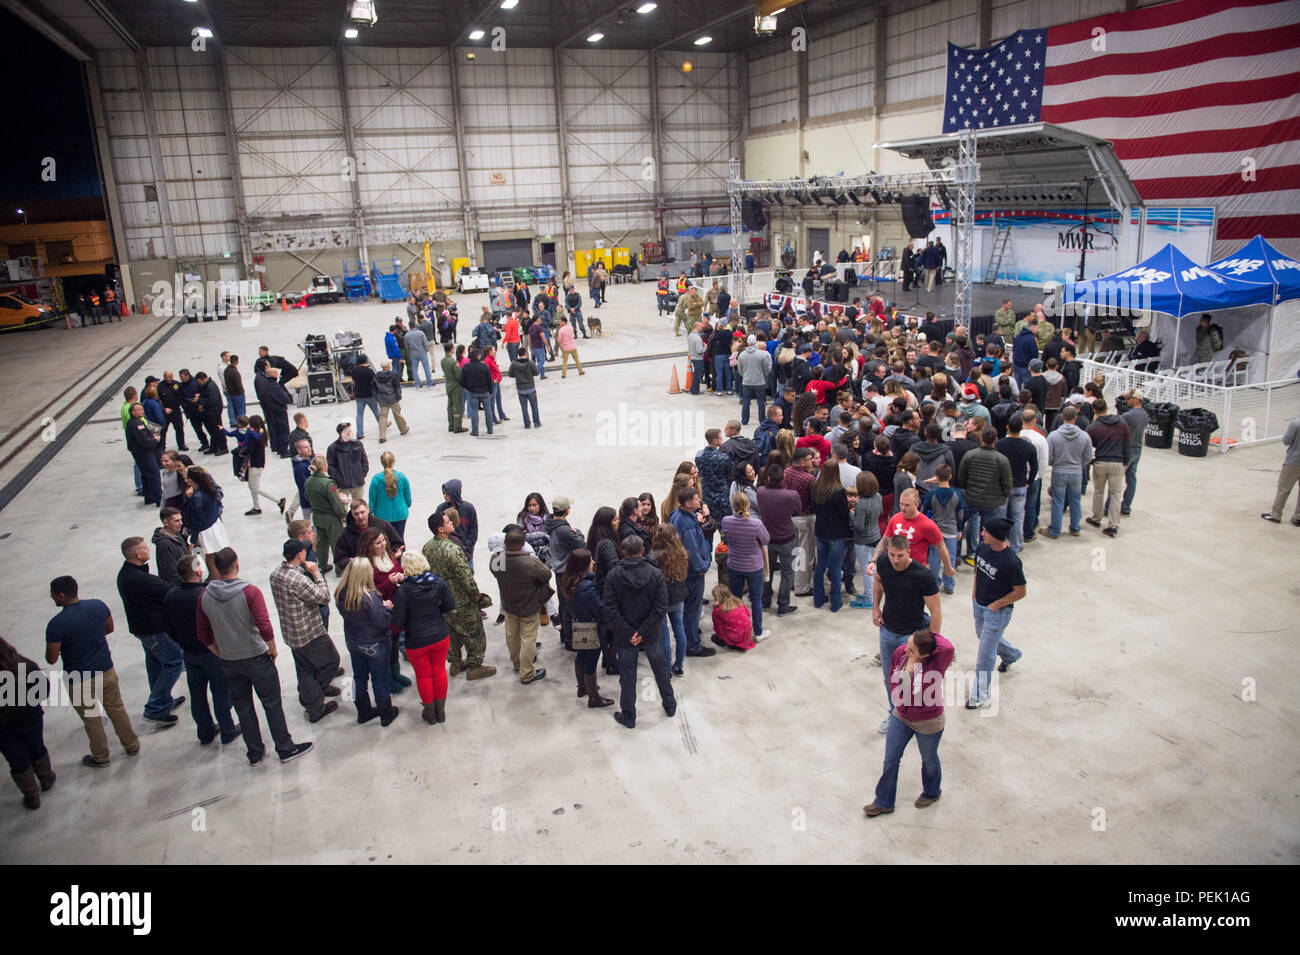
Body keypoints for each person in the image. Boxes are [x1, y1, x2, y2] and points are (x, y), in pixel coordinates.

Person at [197, 547, 314, 764]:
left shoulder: (205, 596)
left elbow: (203, 634)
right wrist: (272, 648)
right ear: (237, 564)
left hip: (229, 661)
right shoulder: (250, 592)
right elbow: (264, 626)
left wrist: (221, 653)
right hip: (256, 657)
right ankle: (284, 747)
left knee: (242, 706)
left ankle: (254, 752)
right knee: (271, 702)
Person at [45, 576, 140, 767]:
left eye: (53, 594)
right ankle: (132, 745)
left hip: (79, 679)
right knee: (117, 709)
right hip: (106, 670)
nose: (52, 597)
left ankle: (101, 756)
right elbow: (109, 628)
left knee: (91, 718)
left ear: (61, 596)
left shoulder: (56, 625)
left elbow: (51, 658)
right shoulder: (98, 606)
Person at [862, 628, 955, 817]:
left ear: (926, 654)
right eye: (908, 645)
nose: (906, 650)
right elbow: (896, 687)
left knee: (928, 760)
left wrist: (928, 636)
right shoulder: (900, 652)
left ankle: (932, 792)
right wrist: (920, 637)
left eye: (912, 650)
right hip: (901, 716)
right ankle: (883, 801)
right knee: (890, 759)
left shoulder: (934, 666)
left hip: (928, 721)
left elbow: (947, 647)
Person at [164, 554, 241, 745]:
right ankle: (228, 729)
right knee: (221, 692)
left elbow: (168, 626)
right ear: (198, 571)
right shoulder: (207, 595)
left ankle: (205, 732)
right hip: (212, 652)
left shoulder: (171, 595)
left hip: (189, 653)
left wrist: (182, 642)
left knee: (197, 695)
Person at [603, 535, 675, 729]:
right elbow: (660, 607)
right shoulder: (655, 574)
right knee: (660, 670)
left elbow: (610, 608)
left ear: (624, 552)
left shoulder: (613, 576)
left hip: (626, 638)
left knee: (627, 676)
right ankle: (670, 705)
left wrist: (630, 633)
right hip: (650, 634)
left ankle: (629, 716)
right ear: (642, 550)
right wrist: (643, 631)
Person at [872, 535, 941, 734]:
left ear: (908, 552)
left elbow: (935, 611)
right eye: (892, 554)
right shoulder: (884, 562)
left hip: (911, 635)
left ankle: (915, 717)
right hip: (887, 631)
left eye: (900, 555)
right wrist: (875, 608)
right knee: (889, 678)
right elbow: (877, 580)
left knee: (910, 680)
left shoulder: (922, 576)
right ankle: (895, 714)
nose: (895, 560)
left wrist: (932, 642)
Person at [269, 540, 342, 725]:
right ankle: (314, 699)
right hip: (309, 632)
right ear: (301, 555)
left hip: (291, 632)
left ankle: (310, 696)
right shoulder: (298, 579)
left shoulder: (275, 574)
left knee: (304, 668)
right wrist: (316, 573)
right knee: (331, 660)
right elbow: (324, 597)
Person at [116, 536, 185, 727]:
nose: (148, 551)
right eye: (145, 549)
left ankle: (163, 702)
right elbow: (168, 589)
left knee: (156, 663)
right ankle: (155, 708)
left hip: (142, 628)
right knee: (174, 661)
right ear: (138, 554)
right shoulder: (140, 579)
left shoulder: (127, 574)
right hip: (153, 629)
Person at [423, 510, 496, 680]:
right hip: (461, 600)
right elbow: (465, 576)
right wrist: (475, 594)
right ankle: (475, 666)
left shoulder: (427, 547)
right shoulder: (453, 550)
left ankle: (455, 663)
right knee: (474, 632)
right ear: (441, 529)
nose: (452, 524)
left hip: (442, 599)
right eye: (448, 522)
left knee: (452, 632)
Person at [966, 517, 1027, 709]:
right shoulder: (983, 549)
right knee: (982, 637)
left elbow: (1020, 591)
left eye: (985, 531)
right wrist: (975, 592)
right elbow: (978, 570)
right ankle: (1011, 655)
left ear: (997, 536)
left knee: (985, 653)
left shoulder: (1011, 562)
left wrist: (997, 604)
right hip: (980, 604)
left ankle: (979, 695)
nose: (982, 534)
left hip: (997, 612)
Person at [391, 550, 455, 724]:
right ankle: (441, 711)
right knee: (440, 671)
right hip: (440, 636)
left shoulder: (403, 591)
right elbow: (450, 605)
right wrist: (435, 614)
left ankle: (430, 712)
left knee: (424, 676)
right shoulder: (438, 583)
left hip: (416, 640)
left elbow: (398, 621)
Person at [334, 558, 399, 726]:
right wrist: (387, 607)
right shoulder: (370, 597)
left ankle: (363, 712)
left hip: (353, 641)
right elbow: (382, 621)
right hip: (374, 643)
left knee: (359, 677)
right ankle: (386, 714)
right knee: (379, 679)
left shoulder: (341, 593)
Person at [491, 528, 554, 685]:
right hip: (528, 606)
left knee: (511, 634)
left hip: (508, 603)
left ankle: (517, 663)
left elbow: (494, 571)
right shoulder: (530, 562)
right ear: (523, 544)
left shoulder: (498, 558)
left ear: (505, 543)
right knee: (528, 638)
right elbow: (547, 574)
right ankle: (527, 673)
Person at [1, 636, 53, 808]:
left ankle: (31, 796)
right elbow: (44, 691)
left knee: (17, 760)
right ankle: (46, 778)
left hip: (4, 730)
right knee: (37, 747)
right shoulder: (26, 666)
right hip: (31, 720)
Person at [666, 487, 716, 667]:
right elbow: (691, 551)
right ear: (687, 503)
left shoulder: (676, 515)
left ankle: (691, 633)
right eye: (696, 499)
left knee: (689, 607)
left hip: (683, 570)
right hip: (693, 573)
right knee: (692, 608)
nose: (699, 501)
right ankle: (693, 645)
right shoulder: (686, 525)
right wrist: (702, 567)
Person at [956, 427, 1012, 564]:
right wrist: (1004, 496)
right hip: (992, 502)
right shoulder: (1002, 459)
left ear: (981, 438)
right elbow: (1007, 483)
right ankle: (982, 558)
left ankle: (956, 556)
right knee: (988, 532)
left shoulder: (970, 455)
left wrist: (967, 489)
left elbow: (961, 477)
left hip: (971, 498)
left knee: (959, 525)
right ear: (996, 440)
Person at [720, 491, 771, 639]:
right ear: (748, 505)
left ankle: (738, 629)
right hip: (754, 566)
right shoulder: (756, 524)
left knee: (736, 598)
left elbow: (726, 538)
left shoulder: (726, 521)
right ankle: (758, 632)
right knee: (756, 600)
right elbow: (766, 539)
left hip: (734, 565)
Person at [1085, 399, 1130, 538]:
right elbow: (1127, 444)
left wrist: (1091, 462)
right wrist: (1125, 461)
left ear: (1094, 411)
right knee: (1116, 494)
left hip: (1100, 462)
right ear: (1107, 408)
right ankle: (1113, 525)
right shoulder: (1122, 424)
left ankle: (1096, 518)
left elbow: (1088, 448)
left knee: (1098, 491)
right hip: (1117, 462)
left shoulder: (1092, 428)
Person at [810, 461, 851, 613]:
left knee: (820, 565)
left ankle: (818, 599)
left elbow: (814, 508)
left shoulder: (815, 487)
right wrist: (847, 532)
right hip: (836, 533)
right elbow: (844, 514)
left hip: (820, 531)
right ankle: (835, 602)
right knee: (835, 567)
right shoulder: (839, 491)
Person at [996, 416, 1038, 552]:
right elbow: (1034, 467)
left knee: (1000, 516)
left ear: (1007, 427)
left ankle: (998, 543)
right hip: (1020, 485)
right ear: (1021, 428)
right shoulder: (1029, 447)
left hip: (1002, 485)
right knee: (1017, 516)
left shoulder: (999, 444)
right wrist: (1029, 482)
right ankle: (1015, 545)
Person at [181, 465, 229, 579]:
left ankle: (218, 586)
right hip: (215, 526)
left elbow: (197, 520)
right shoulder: (210, 489)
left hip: (205, 533)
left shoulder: (197, 497)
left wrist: (192, 540)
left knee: (210, 563)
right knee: (218, 559)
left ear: (191, 480)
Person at [304, 455, 347, 574]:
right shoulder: (328, 483)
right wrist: (343, 515)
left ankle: (321, 566)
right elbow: (335, 502)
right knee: (336, 542)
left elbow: (306, 497)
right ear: (324, 467)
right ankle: (340, 569)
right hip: (330, 518)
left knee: (321, 542)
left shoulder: (308, 482)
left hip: (317, 516)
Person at [241, 416, 285, 517]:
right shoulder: (262, 435)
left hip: (255, 465)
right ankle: (256, 507)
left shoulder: (255, 437)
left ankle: (278, 501)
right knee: (252, 487)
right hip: (259, 464)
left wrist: (242, 453)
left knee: (255, 488)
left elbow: (249, 449)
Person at [1261, 415, 1300, 525]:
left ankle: (1276, 515)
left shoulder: (1296, 423)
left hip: (1294, 462)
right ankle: (1298, 517)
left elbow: (1286, 441)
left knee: (1284, 489)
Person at [368, 451, 412, 543]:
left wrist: (372, 512)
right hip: (400, 514)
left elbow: (372, 500)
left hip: (382, 515)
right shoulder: (402, 477)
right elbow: (408, 499)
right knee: (399, 539)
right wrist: (405, 505)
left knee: (384, 542)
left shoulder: (376, 479)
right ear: (394, 461)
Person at [1117, 390, 1148, 516]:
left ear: (1135, 400)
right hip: (1137, 449)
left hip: (1127, 450)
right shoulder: (1144, 414)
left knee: (1116, 480)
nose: (1126, 401)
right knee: (1131, 480)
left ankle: (1108, 507)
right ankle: (1126, 507)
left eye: (1128, 399)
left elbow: (1116, 425)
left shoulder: (1128, 416)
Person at [126, 403, 163, 506]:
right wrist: (155, 440)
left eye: (142, 409)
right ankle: (158, 498)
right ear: (133, 412)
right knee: (154, 474)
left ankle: (149, 497)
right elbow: (144, 442)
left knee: (146, 476)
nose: (142, 411)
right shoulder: (137, 424)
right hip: (145, 453)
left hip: (139, 454)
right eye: (139, 410)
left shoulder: (134, 423)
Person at [254, 366, 294, 458]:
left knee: (278, 429)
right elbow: (285, 399)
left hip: (272, 411)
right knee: (283, 430)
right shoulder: (273, 386)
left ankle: (280, 449)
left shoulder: (266, 384)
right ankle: (284, 451)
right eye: (276, 373)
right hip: (279, 411)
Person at [737, 335, 773, 426]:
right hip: (759, 381)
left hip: (746, 381)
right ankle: (762, 420)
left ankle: (745, 420)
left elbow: (740, 368)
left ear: (747, 343)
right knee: (761, 402)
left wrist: (745, 375)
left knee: (746, 402)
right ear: (756, 342)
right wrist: (763, 375)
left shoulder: (742, 355)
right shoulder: (762, 354)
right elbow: (767, 367)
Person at [710, 583, 756, 651]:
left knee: (718, 628)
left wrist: (715, 608)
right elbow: (748, 614)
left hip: (733, 636)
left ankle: (726, 642)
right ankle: (739, 643)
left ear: (717, 598)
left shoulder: (720, 610)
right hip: (746, 634)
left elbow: (717, 625)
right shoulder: (738, 601)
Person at [152, 507, 191, 585]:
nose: (181, 523)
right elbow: (171, 573)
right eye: (177, 521)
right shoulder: (164, 545)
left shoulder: (176, 533)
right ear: (166, 522)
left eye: (181, 520)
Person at [374, 361, 410, 443]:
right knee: (398, 414)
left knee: (383, 417)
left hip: (382, 399)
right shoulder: (393, 376)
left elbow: (374, 388)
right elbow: (397, 387)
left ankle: (382, 436)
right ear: (387, 366)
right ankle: (403, 429)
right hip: (392, 398)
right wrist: (398, 396)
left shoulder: (376, 376)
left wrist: (377, 397)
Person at [193, 372, 228, 454]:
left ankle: (223, 447)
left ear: (204, 379)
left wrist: (199, 400)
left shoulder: (211, 386)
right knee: (212, 431)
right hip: (208, 413)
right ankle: (214, 447)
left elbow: (212, 400)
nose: (199, 384)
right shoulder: (205, 386)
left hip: (214, 412)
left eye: (199, 381)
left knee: (218, 430)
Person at [507, 347, 541, 428]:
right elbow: (536, 373)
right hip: (530, 388)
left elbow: (510, 374)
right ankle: (536, 423)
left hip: (520, 389)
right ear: (525, 353)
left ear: (518, 354)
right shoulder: (530, 363)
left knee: (524, 407)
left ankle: (527, 424)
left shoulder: (514, 364)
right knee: (534, 406)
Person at [441, 344, 467, 433]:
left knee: (450, 406)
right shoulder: (453, 361)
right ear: (451, 349)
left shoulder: (443, 361)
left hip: (448, 384)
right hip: (455, 385)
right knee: (457, 406)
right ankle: (457, 426)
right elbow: (458, 375)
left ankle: (451, 425)